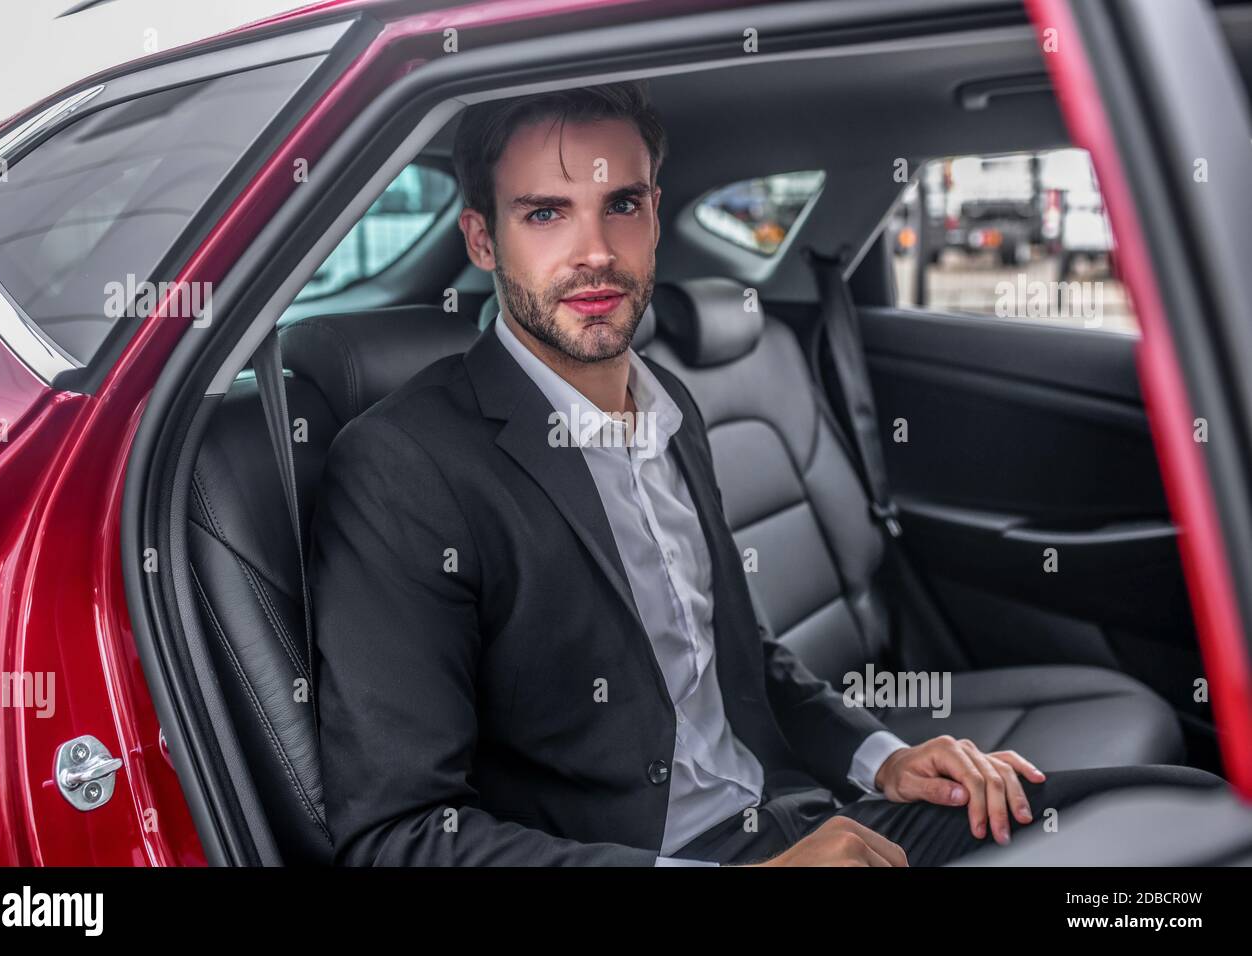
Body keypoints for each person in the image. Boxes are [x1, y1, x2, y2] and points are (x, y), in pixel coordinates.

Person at [308, 80, 1223, 866]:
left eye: (620, 204)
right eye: (545, 213)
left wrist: (882, 759)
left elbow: (743, 660)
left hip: (806, 820)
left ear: (655, 216)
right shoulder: (405, 466)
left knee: (1184, 821)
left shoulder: (668, 404)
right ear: (480, 239)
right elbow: (405, 837)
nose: (594, 252)